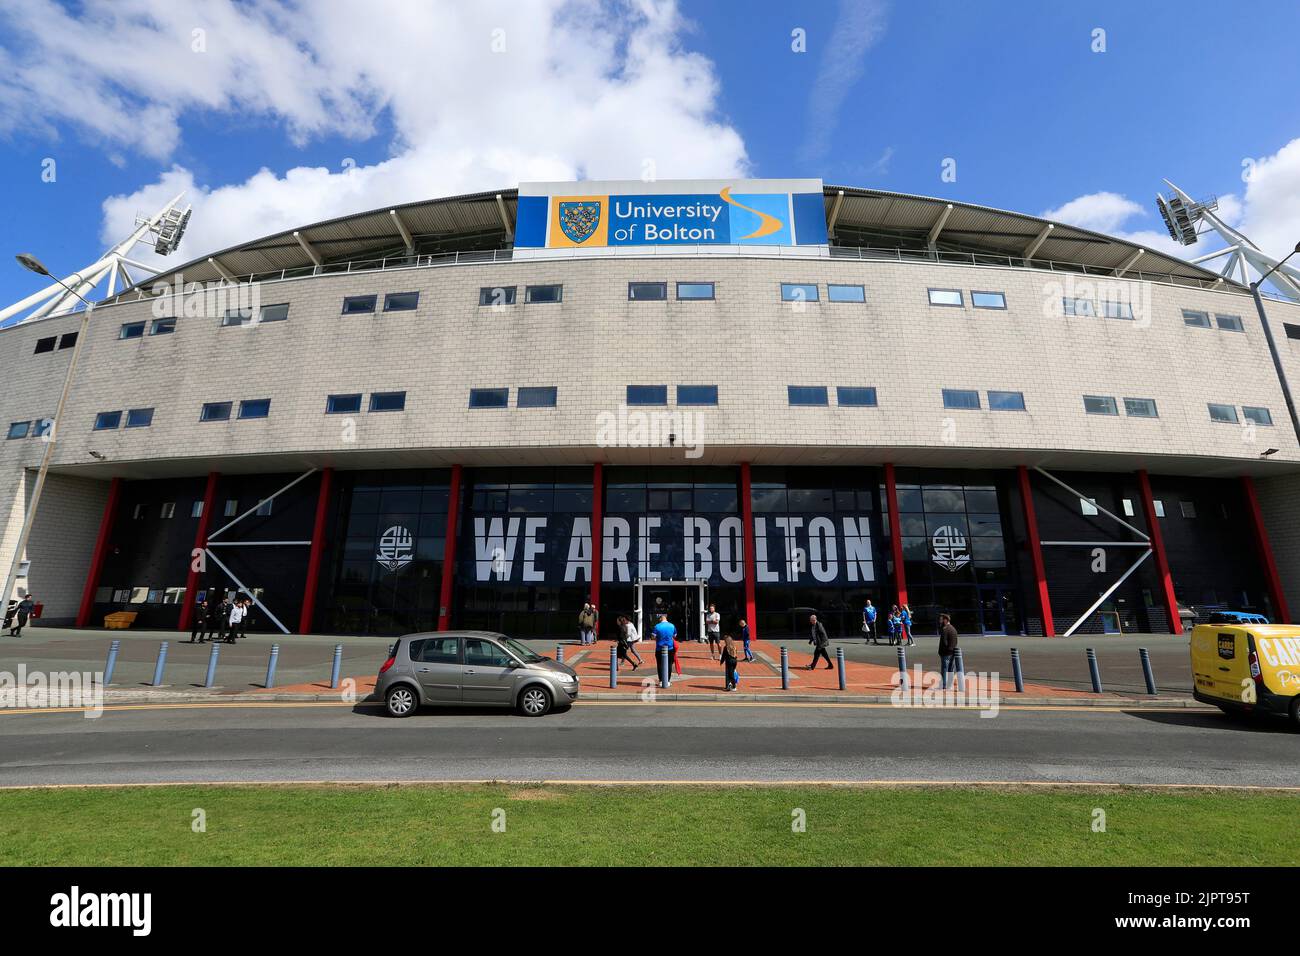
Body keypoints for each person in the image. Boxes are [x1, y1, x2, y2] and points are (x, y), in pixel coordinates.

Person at [652, 613, 679, 685]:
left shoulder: (657, 626)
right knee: (669, 664)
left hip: (659, 648)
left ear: (660, 618)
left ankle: (661, 680)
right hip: (670, 648)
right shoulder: (672, 625)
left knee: (659, 664)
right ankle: (668, 681)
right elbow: (675, 636)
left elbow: (653, 637)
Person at [938, 613, 960, 689]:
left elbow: (944, 642)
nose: (940, 621)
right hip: (952, 651)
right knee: (951, 669)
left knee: (944, 669)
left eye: (941, 619)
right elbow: (956, 641)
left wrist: (942, 651)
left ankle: (943, 685)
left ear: (945, 620)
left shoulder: (945, 629)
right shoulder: (953, 628)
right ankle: (949, 685)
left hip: (946, 653)